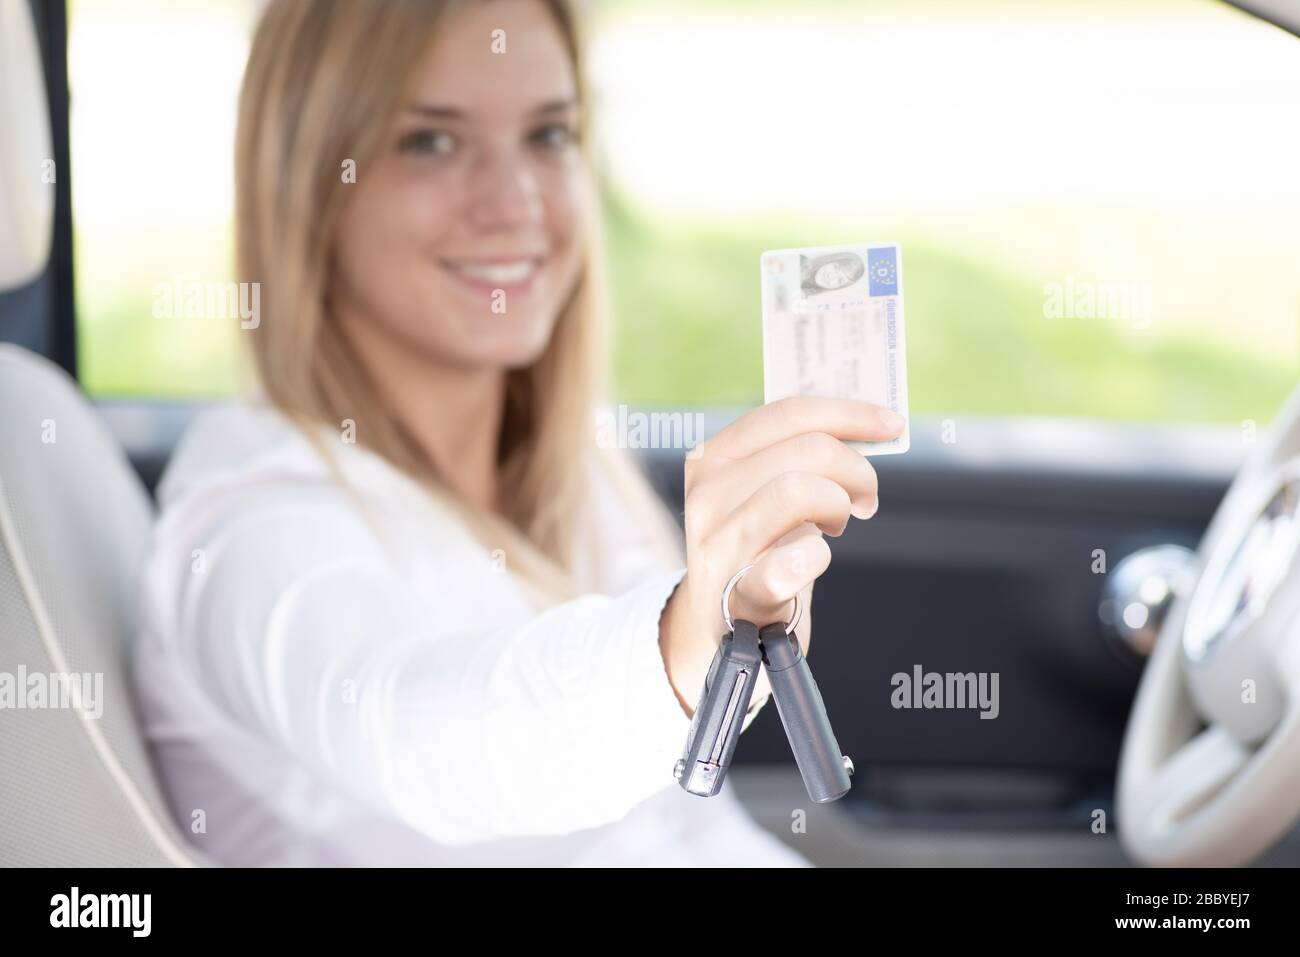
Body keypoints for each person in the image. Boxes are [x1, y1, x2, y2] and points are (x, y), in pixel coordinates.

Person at [132, 0, 905, 866]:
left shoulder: (572, 472)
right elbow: (419, 730)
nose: (516, 202)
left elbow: (686, 834)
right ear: (311, 180)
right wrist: (687, 635)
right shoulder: (249, 515)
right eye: (431, 141)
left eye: (549, 135)